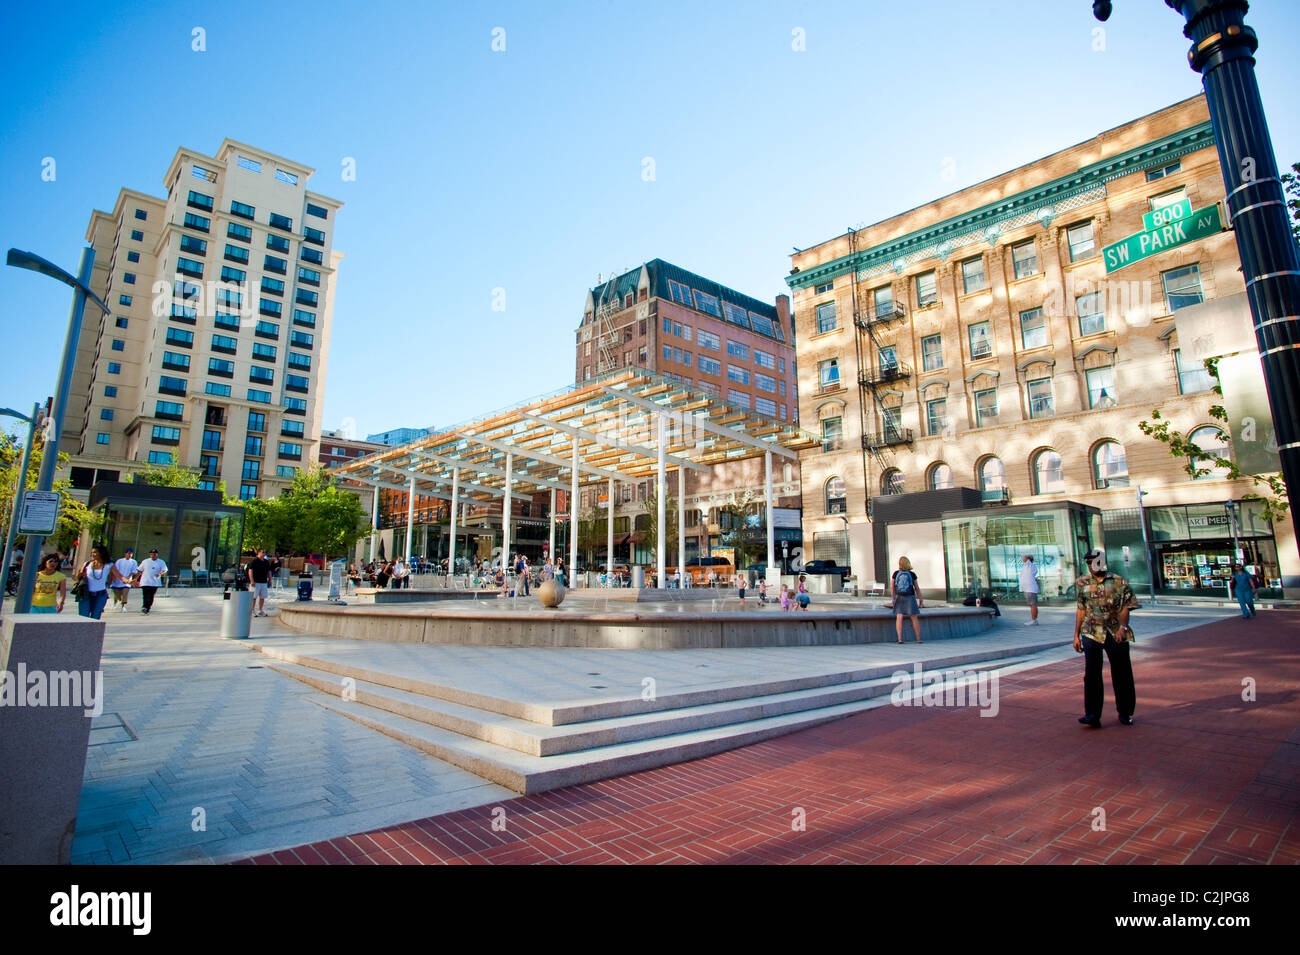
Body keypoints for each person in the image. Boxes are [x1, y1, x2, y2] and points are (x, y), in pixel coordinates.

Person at [1073, 548, 1139, 728]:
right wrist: (1076, 635)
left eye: (1093, 562)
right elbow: (1080, 609)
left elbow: (1126, 607)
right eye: (1088, 563)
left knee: (1122, 672)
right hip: (1091, 632)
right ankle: (1092, 714)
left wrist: (1123, 628)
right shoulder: (1082, 583)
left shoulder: (1118, 582)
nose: (1091, 566)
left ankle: (1125, 712)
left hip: (1115, 631)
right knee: (1092, 674)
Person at [76, 545, 117, 619]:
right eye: (92, 552)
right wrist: (80, 574)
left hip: (100, 595)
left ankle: (92, 631)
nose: (92, 554)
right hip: (85, 593)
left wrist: (128, 581)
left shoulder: (109, 565)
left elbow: (117, 576)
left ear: (101, 553)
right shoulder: (87, 564)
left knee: (95, 617)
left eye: (95, 552)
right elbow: (78, 577)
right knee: (83, 617)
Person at [892, 556, 922, 643]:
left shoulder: (896, 573)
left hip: (899, 596)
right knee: (914, 617)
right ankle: (918, 639)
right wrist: (920, 598)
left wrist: (893, 598)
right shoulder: (912, 574)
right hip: (910, 596)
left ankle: (900, 639)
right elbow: (916, 587)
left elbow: (893, 587)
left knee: (899, 616)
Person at [137, 547, 168, 614]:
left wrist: (160, 574)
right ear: (150, 555)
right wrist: (136, 579)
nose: (153, 555)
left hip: (155, 582)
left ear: (157, 555)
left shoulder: (161, 562)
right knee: (145, 595)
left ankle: (148, 606)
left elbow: (165, 570)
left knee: (151, 596)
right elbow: (139, 570)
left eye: (155, 554)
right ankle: (145, 607)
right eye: (152, 554)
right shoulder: (145, 561)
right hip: (145, 581)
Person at [245, 548, 273, 617]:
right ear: (259, 553)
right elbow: (250, 571)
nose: (264, 554)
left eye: (264, 552)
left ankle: (260, 610)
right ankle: (252, 610)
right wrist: (252, 581)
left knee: (262, 597)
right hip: (256, 581)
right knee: (254, 597)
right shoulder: (254, 561)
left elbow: (269, 571)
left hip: (263, 582)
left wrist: (270, 580)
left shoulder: (266, 562)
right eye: (262, 552)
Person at [110, 547, 139, 612]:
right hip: (117, 581)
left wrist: (128, 579)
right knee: (117, 594)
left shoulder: (133, 562)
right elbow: (115, 570)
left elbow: (133, 571)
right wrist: (114, 577)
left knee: (125, 593)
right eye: (128, 553)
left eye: (131, 553)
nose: (129, 555)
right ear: (125, 554)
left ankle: (123, 606)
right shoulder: (119, 561)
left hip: (127, 582)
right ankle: (116, 601)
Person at [1019, 554, 1040, 625]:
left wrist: (1028, 557)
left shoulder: (1030, 565)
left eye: (1025, 557)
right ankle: (1034, 620)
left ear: (1028, 559)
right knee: (1032, 605)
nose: (1023, 558)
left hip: (1030, 589)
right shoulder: (1027, 566)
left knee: (1033, 604)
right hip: (1028, 589)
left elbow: (1026, 559)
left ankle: (1034, 620)